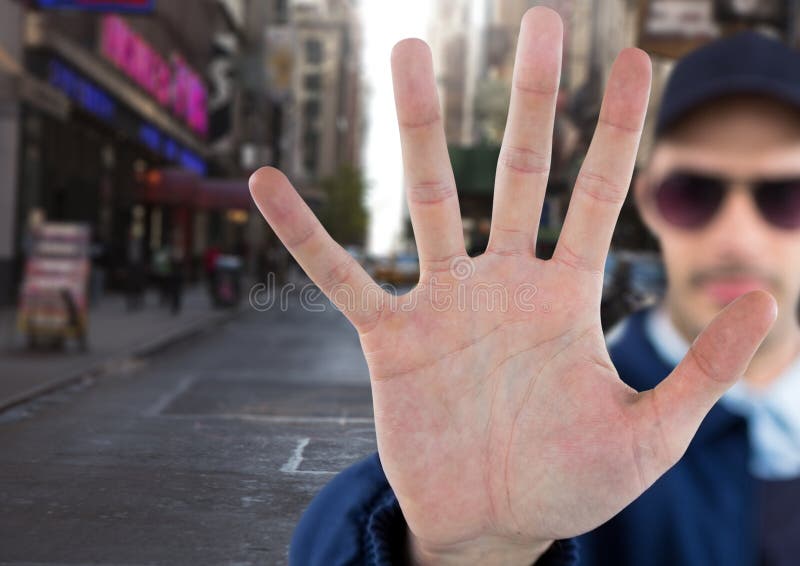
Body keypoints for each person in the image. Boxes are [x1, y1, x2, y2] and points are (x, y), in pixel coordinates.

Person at [248, 8, 795, 565]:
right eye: (694, 192)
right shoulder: (566, 429)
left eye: (785, 196)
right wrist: (473, 555)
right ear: (649, 198)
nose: (738, 233)